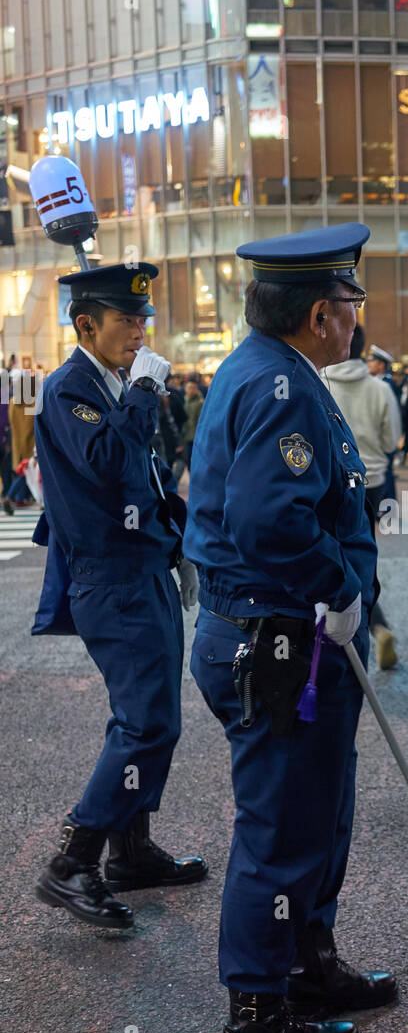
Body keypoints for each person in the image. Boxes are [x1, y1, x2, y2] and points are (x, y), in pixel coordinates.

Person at [183, 223, 397, 1033]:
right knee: (280, 828)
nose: (356, 315)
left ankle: (307, 962)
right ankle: (257, 1013)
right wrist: (338, 588)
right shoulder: (281, 388)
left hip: (282, 633)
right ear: (320, 314)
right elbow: (269, 518)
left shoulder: (271, 372)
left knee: (318, 813)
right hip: (275, 637)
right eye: (351, 301)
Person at [33, 264, 207, 931]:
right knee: (146, 722)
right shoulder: (69, 389)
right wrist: (140, 392)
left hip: (144, 569)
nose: (139, 332)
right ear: (85, 326)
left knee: (147, 715)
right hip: (111, 579)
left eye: (142, 321)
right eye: (125, 321)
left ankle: (129, 851)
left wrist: (176, 539)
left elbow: (144, 476)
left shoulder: (109, 383)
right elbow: (106, 461)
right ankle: (73, 860)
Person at [326, 325, 401, 670]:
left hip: (333, 484)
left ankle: (366, 630)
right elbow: (391, 441)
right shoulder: (380, 389)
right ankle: (375, 626)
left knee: (334, 558)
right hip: (374, 483)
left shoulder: (319, 383)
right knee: (363, 555)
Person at [367, 343, 400, 502]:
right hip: (377, 434)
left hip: (384, 433)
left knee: (386, 471)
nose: (369, 364)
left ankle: (389, 504)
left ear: (381, 365)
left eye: (372, 361)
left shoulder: (387, 383)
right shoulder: (373, 382)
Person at [181, 379, 204, 470]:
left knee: (193, 458)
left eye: (193, 388)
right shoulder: (182, 400)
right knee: (186, 459)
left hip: (195, 435)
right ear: (186, 389)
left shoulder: (200, 402)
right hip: (185, 434)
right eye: (189, 388)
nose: (191, 390)